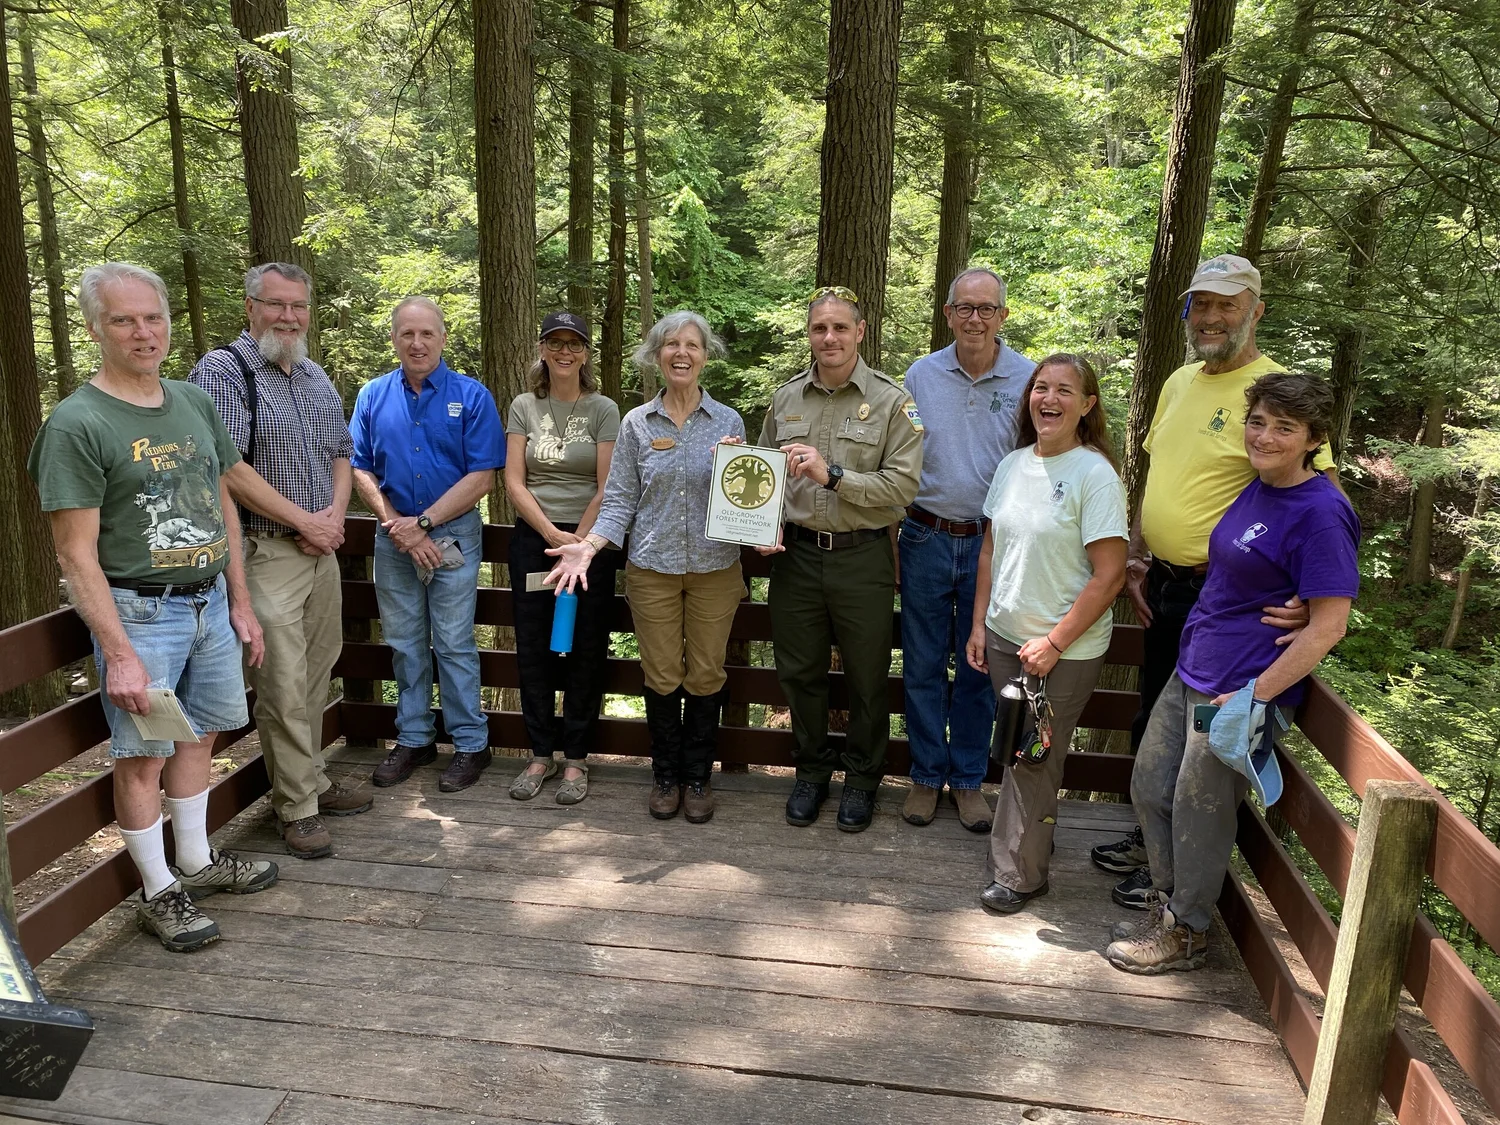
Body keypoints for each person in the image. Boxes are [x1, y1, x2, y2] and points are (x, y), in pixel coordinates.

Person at [28, 263, 278, 952]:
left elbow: (220, 500)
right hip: (142, 613)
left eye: (153, 317)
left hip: (208, 604)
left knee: (198, 736)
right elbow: (75, 554)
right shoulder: (77, 424)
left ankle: (196, 862)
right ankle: (157, 889)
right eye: (124, 320)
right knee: (143, 755)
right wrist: (118, 653)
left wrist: (242, 603)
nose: (143, 332)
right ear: (94, 327)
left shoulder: (192, 402)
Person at [1090, 254, 1339, 909]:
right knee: (1156, 726)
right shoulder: (1178, 382)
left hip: (1229, 601)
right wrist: (1142, 553)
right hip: (1170, 589)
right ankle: (1153, 845)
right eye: (1202, 303)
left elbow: (1322, 497)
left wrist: (1309, 600)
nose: (1211, 316)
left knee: (1196, 753)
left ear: (1255, 309)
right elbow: (1160, 473)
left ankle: (1176, 892)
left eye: (1227, 304)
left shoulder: (1276, 394)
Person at [1107, 371, 1359, 973]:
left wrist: (1254, 696)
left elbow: (1331, 623)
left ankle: (1187, 932)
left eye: (1284, 427)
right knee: (1150, 784)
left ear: (1314, 438)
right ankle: (1169, 906)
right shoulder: (1261, 484)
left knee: (1201, 806)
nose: (1265, 436)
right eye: (1258, 421)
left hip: (1245, 684)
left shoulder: (1321, 511)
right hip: (1197, 663)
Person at [190, 262, 367, 861]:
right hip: (265, 552)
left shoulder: (315, 374)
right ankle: (297, 806)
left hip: (322, 551)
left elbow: (343, 452)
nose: (288, 317)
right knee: (283, 682)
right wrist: (305, 522)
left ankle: (310, 775)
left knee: (319, 671)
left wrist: (334, 519)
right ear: (250, 307)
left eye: (298, 306)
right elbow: (229, 468)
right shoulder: (225, 371)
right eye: (276, 305)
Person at [545, 310, 744, 824]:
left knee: (705, 673)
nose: (682, 353)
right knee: (660, 673)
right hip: (652, 567)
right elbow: (618, 500)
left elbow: (745, 499)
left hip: (715, 567)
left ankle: (697, 777)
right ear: (655, 356)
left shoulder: (728, 422)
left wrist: (738, 472)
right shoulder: (636, 423)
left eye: (692, 345)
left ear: (705, 356)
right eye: (671, 344)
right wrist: (589, 545)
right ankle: (665, 775)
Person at [965, 355, 1127, 912]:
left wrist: (1055, 643)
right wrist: (980, 624)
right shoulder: (1013, 464)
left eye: (1064, 390)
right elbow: (991, 549)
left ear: (1088, 404)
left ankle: (1020, 875)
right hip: (1007, 637)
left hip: (1064, 648)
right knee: (1017, 750)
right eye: (1040, 388)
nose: (1049, 399)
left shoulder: (1095, 474)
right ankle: (1028, 848)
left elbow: (1109, 577)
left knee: (1036, 758)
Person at [759, 287, 924, 833]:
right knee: (800, 672)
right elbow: (763, 477)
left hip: (863, 557)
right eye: (818, 329)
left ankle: (861, 780)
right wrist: (758, 522)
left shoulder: (891, 402)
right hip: (797, 558)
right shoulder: (785, 401)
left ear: (859, 332)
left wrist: (832, 474)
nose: (828, 338)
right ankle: (810, 772)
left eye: (839, 328)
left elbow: (901, 488)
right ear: (809, 335)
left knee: (867, 677)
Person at [350, 297, 506, 793]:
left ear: (443, 336)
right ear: (394, 338)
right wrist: (397, 523)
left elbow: (483, 476)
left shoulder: (472, 396)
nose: (417, 343)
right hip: (392, 537)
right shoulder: (373, 396)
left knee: (455, 642)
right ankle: (414, 738)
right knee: (404, 643)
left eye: (427, 334)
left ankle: (470, 744)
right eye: (406, 334)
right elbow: (360, 467)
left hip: (453, 537)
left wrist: (423, 522)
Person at [900, 267, 1034, 832]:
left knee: (982, 666)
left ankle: (969, 780)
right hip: (925, 535)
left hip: (995, 544)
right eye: (964, 308)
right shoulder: (921, 375)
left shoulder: (1028, 379)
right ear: (948, 313)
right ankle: (927, 777)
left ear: (1003, 315)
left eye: (987, 308)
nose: (975, 318)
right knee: (923, 664)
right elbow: (900, 458)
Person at [504, 311, 620, 805]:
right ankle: (539, 754)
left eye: (575, 344)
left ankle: (576, 759)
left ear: (587, 353)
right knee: (533, 648)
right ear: (543, 349)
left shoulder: (604, 409)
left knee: (586, 648)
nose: (565, 351)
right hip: (536, 541)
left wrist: (580, 542)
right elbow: (513, 480)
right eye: (556, 343)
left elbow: (607, 485)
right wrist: (552, 533)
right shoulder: (524, 406)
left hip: (591, 546)